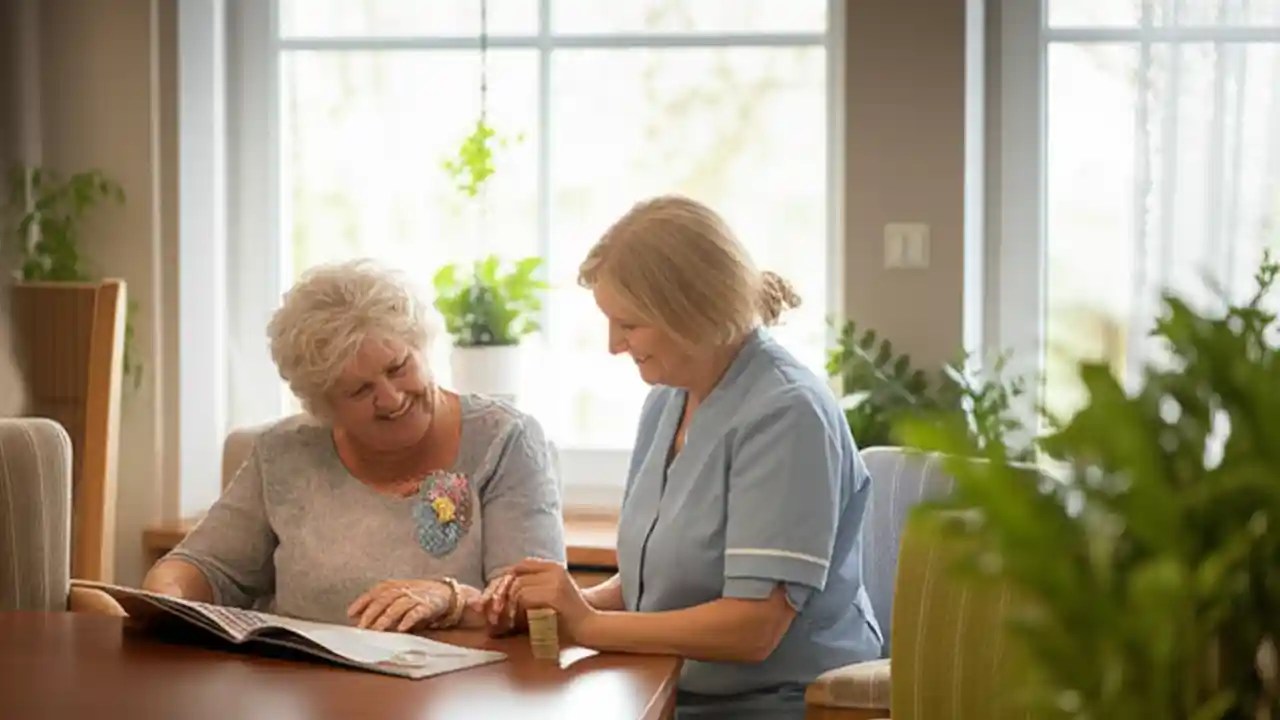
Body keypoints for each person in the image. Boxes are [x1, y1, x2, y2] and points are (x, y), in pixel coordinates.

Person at [478, 195, 883, 718]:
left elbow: (752, 628)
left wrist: (588, 625)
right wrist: (556, 608)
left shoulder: (787, 413)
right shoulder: (669, 398)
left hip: (779, 704)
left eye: (629, 324)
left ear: (691, 310)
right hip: (671, 694)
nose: (613, 345)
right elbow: (654, 587)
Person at [144, 259, 564, 633]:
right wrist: (166, 590)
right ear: (323, 405)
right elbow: (206, 566)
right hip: (304, 691)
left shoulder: (504, 440)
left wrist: (449, 599)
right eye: (360, 391)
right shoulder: (284, 453)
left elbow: (539, 601)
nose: (392, 399)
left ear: (421, 345)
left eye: (399, 367)